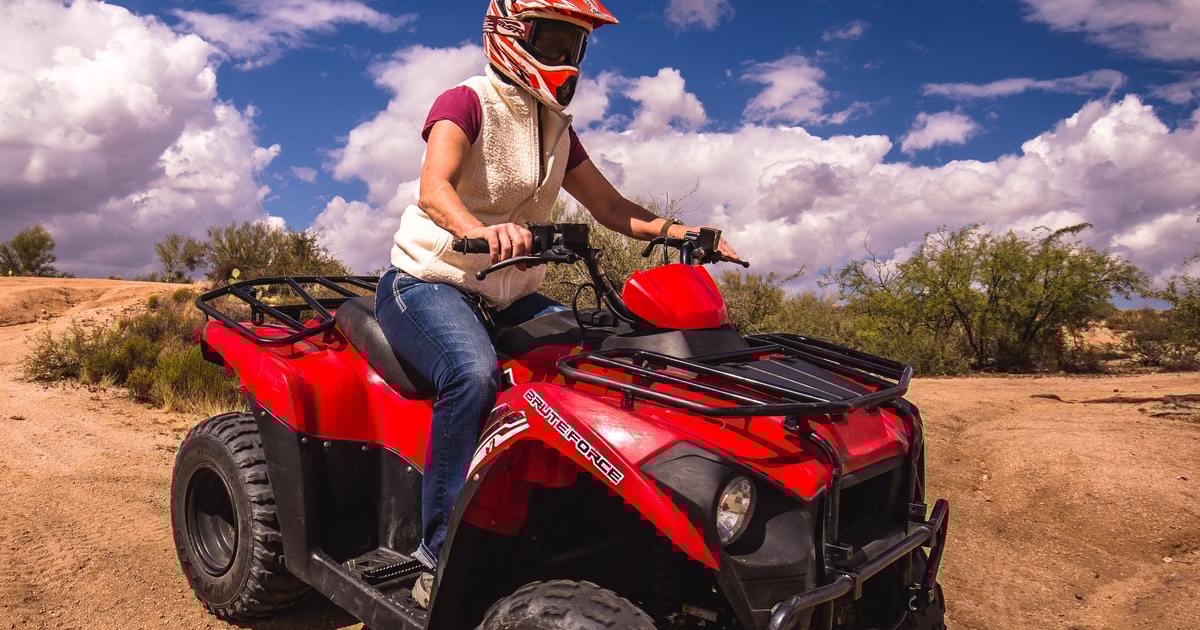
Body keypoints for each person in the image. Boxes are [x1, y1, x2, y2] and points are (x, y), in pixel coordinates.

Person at [373, 0, 739, 608]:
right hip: (429, 282)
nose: (565, 60)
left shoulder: (556, 129)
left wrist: (682, 234)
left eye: (574, 47)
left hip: (508, 292)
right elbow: (433, 187)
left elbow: (612, 208)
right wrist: (479, 230)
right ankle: (436, 556)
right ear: (512, 36)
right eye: (553, 41)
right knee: (470, 374)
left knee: (600, 360)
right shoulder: (465, 102)